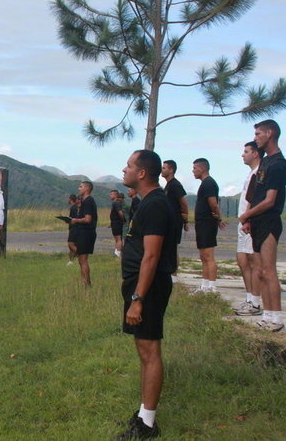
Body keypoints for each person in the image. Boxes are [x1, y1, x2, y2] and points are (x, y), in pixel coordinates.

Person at [117, 150, 177, 440]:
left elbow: (151, 256)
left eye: (128, 166)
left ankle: (148, 425)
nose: (124, 170)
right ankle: (143, 415)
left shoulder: (154, 205)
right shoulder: (145, 203)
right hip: (138, 284)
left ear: (142, 173)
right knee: (143, 350)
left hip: (147, 288)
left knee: (150, 351)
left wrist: (138, 299)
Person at [238, 120, 286, 332]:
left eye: (259, 133)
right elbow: (257, 194)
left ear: (270, 133)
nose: (256, 137)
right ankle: (267, 315)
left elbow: (269, 200)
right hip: (257, 222)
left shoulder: (279, 164)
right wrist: (250, 220)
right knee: (259, 271)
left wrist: (246, 214)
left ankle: (276, 318)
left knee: (269, 271)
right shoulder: (266, 163)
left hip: (269, 221)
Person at [234, 141, 264, 317]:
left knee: (253, 262)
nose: (242, 154)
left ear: (255, 154)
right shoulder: (250, 174)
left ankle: (255, 302)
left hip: (250, 223)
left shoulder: (260, 173)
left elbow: (257, 199)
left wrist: (249, 218)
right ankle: (249, 298)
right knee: (242, 261)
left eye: (246, 151)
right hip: (243, 222)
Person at [192, 158, 225, 294]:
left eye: (194, 168)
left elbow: (213, 203)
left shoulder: (209, 183)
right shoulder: (204, 183)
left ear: (202, 169)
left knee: (208, 255)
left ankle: (212, 287)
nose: (193, 171)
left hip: (207, 223)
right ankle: (205, 286)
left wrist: (219, 217)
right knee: (203, 256)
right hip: (201, 223)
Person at [70, 181, 97, 287]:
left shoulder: (88, 201)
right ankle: (85, 282)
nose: (78, 188)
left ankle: (87, 284)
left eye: (80, 187)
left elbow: (88, 219)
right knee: (81, 259)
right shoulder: (85, 201)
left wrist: (75, 220)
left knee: (83, 259)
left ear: (86, 188)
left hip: (86, 232)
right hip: (83, 232)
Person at [109, 189, 125, 258]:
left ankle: (117, 254)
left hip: (116, 222)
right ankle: (121, 253)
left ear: (115, 195)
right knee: (117, 239)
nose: (110, 196)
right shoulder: (116, 203)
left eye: (111, 194)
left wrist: (123, 220)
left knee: (118, 239)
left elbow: (120, 212)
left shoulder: (116, 203)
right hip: (115, 222)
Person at [66, 194, 80, 266]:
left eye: (68, 198)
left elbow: (72, 219)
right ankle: (71, 261)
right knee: (71, 246)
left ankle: (80, 255)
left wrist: (66, 219)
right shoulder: (76, 208)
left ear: (70, 199)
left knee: (71, 244)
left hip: (74, 228)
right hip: (75, 228)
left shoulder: (73, 208)